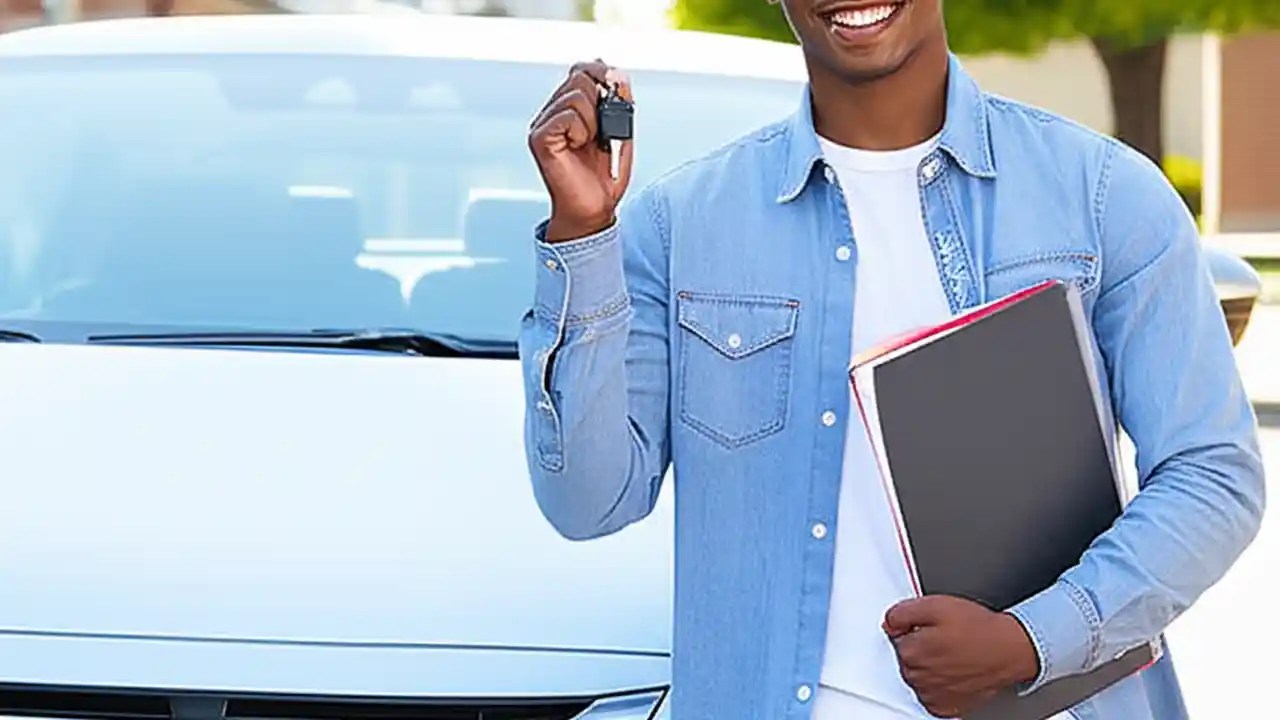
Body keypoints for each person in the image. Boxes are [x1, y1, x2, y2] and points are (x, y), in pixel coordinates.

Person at [521, 0, 1265, 718]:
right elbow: (587, 501)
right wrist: (581, 236)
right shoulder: (681, 224)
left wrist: (1030, 642)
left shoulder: (1104, 198)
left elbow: (1212, 476)